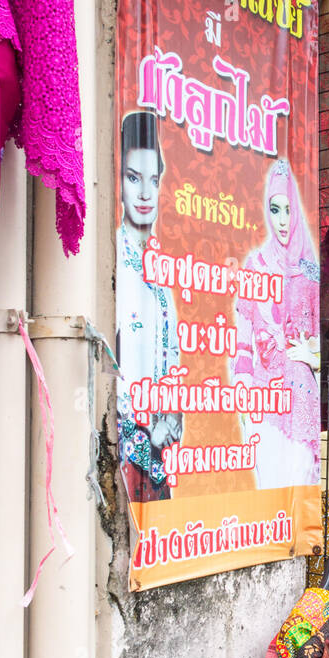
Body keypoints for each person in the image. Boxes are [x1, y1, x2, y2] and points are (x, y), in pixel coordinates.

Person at [232, 158, 320, 488]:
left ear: (296, 210)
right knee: (269, 485)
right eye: (275, 209)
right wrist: (241, 382)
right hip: (263, 398)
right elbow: (243, 329)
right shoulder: (255, 265)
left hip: (300, 399)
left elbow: (323, 341)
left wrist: (312, 358)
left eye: (287, 210)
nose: (282, 220)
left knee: (299, 484)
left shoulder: (310, 273)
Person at [115, 110, 180, 502]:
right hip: (122, 459)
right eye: (132, 178)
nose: (143, 193)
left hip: (157, 461)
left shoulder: (160, 273)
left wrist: (171, 416)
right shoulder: (113, 265)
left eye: (152, 180)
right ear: (119, 181)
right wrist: (143, 432)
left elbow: (171, 361)